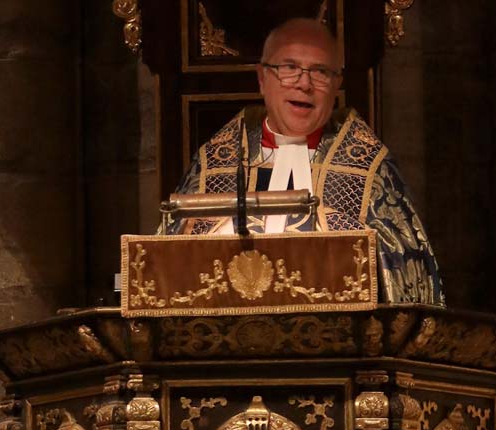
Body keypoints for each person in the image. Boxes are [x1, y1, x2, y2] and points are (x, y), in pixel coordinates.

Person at [164, 18, 445, 305]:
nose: (304, 83)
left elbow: (404, 275)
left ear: (337, 84)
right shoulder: (215, 162)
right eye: (288, 68)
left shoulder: (370, 166)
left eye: (320, 72)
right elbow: (167, 267)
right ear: (262, 79)